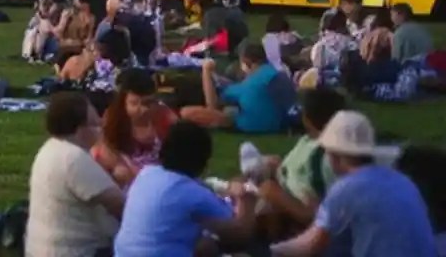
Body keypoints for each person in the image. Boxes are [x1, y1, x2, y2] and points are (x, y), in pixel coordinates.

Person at [270, 110, 436, 256]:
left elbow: (311, 245)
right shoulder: (401, 180)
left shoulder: (346, 190)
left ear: (334, 155)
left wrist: (271, 250)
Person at [114, 120, 257, 257]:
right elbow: (240, 232)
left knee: (205, 244)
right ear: (202, 161)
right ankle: (253, 173)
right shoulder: (191, 192)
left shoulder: (146, 174)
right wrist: (247, 198)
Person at [26, 92, 124, 257]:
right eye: (95, 125)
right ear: (80, 129)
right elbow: (119, 205)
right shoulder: (73, 159)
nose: (101, 127)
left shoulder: (49, 149)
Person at [254, 88, 347, 235]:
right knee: (259, 174)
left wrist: (278, 195)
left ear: (307, 118)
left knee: (266, 192)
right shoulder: (308, 140)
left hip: (296, 211)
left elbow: (317, 212)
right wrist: (278, 166)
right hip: (283, 185)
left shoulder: (323, 156)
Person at [180, 44, 292, 133]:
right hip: (279, 124)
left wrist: (206, 70)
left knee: (186, 112)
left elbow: (212, 105)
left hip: (250, 125)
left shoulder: (250, 84)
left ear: (247, 62)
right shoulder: (280, 75)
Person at [93, 68, 177, 188]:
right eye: (134, 103)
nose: (143, 110)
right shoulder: (113, 119)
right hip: (130, 177)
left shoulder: (164, 116)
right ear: (122, 103)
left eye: (148, 103)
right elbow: (103, 151)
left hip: (162, 175)